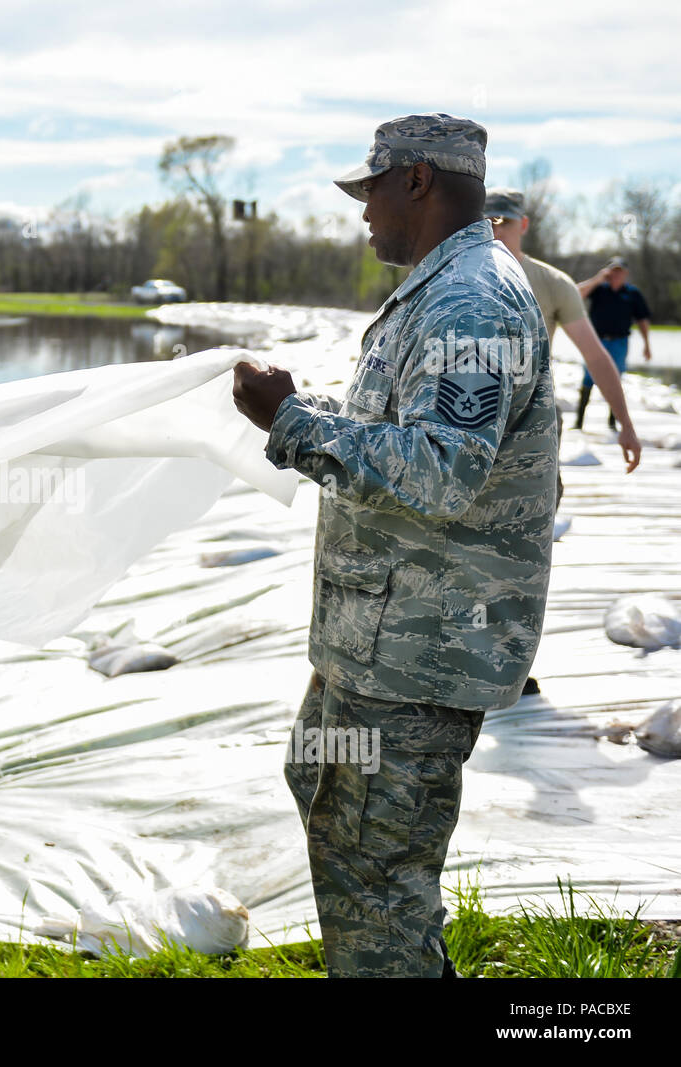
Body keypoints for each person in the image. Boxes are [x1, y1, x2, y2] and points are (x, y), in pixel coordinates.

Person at [232, 114, 558, 977]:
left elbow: (442, 470)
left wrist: (292, 423)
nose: (361, 210)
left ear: (417, 181)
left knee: (376, 874)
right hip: (376, 640)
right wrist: (310, 411)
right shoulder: (440, 287)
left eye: (369, 188)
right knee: (328, 792)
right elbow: (405, 432)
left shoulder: (472, 299)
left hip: (420, 651)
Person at [484, 189, 641, 484]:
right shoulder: (453, 278)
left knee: (540, 512)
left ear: (524, 225)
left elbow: (594, 355)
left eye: (503, 221)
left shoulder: (553, 282)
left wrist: (626, 425)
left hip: (532, 420)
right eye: (486, 221)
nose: (494, 230)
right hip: (468, 415)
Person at [573, 256, 653, 431]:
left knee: (615, 379)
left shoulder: (632, 294)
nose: (616, 275)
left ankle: (612, 422)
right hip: (596, 341)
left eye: (620, 271)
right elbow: (574, 294)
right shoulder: (599, 289)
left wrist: (647, 344)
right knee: (588, 378)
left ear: (626, 274)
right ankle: (579, 423)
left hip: (619, 342)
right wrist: (597, 279)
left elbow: (642, 320)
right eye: (613, 271)